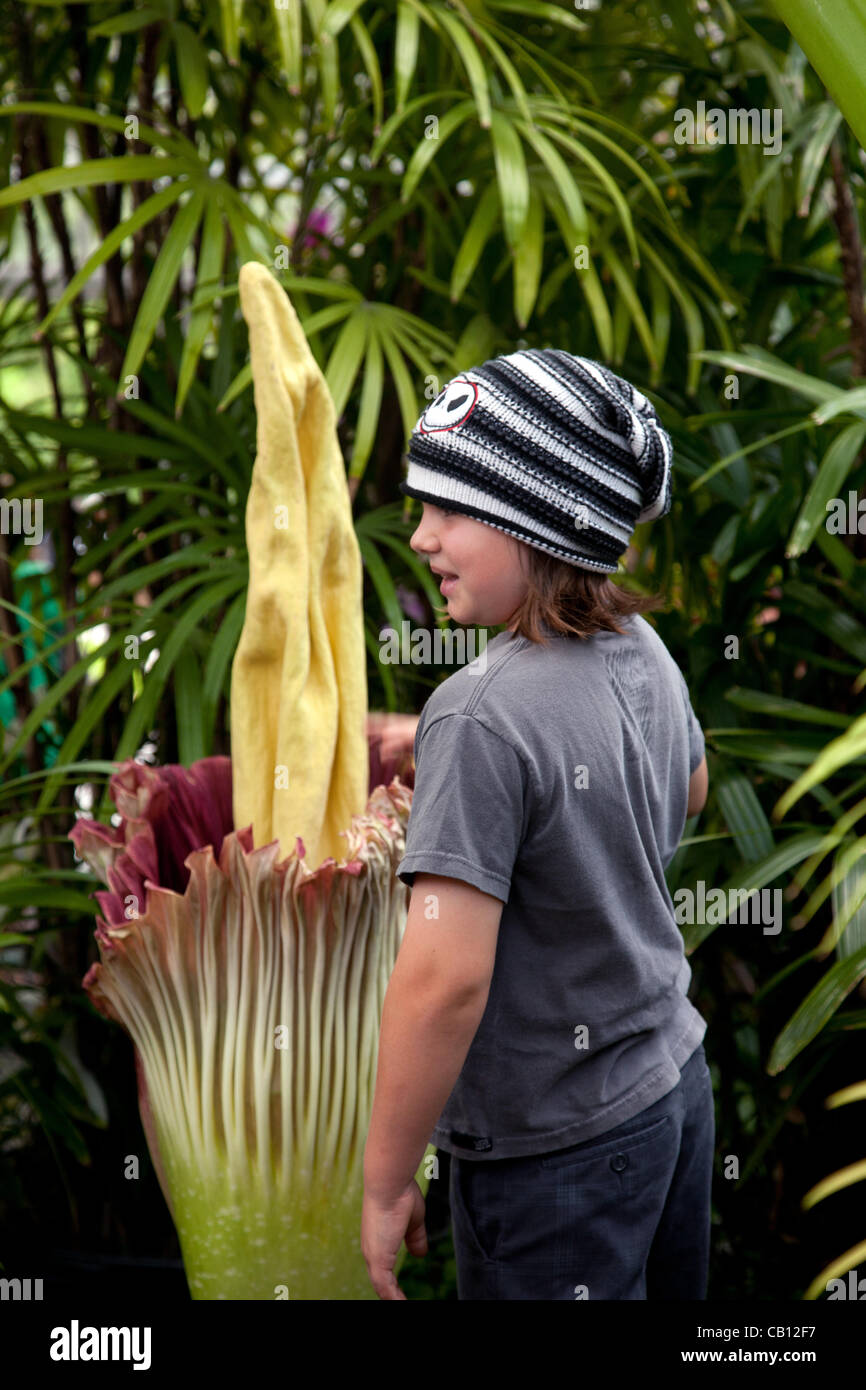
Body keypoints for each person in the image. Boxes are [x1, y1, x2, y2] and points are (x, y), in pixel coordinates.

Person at [361, 350, 712, 1301]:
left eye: (450, 511)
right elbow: (689, 790)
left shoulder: (479, 713)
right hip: (670, 1089)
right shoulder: (639, 646)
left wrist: (388, 1180)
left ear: (543, 521)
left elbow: (443, 983)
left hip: (554, 1149)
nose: (422, 538)